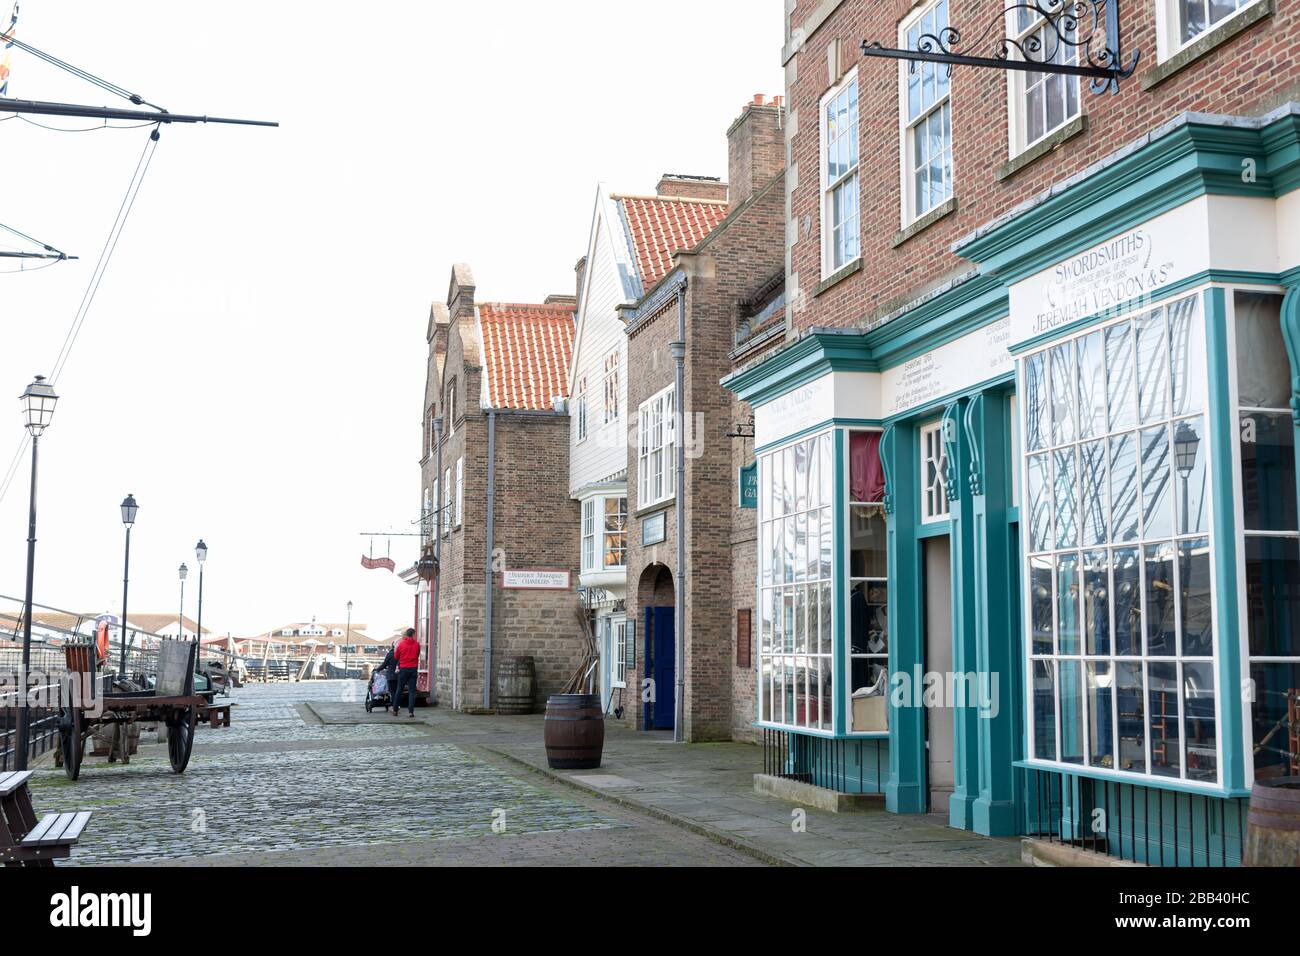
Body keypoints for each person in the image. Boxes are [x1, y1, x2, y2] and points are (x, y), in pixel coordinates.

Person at [392, 628, 420, 717]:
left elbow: (396, 656)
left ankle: (395, 710)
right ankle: (411, 712)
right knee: (412, 691)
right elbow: (417, 654)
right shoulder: (417, 644)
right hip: (413, 669)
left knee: (399, 690)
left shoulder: (401, 644)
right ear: (413, 634)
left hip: (403, 669)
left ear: (407, 634)